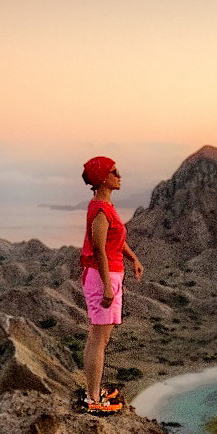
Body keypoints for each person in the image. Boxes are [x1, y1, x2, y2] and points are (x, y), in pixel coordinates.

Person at [78, 155, 142, 412]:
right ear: (103, 178)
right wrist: (106, 285)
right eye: (115, 171)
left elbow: (116, 241)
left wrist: (134, 257)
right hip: (100, 277)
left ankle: (94, 391)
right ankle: (93, 399)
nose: (120, 175)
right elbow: (99, 249)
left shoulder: (107, 207)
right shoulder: (101, 210)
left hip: (112, 274)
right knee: (97, 337)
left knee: (102, 339)